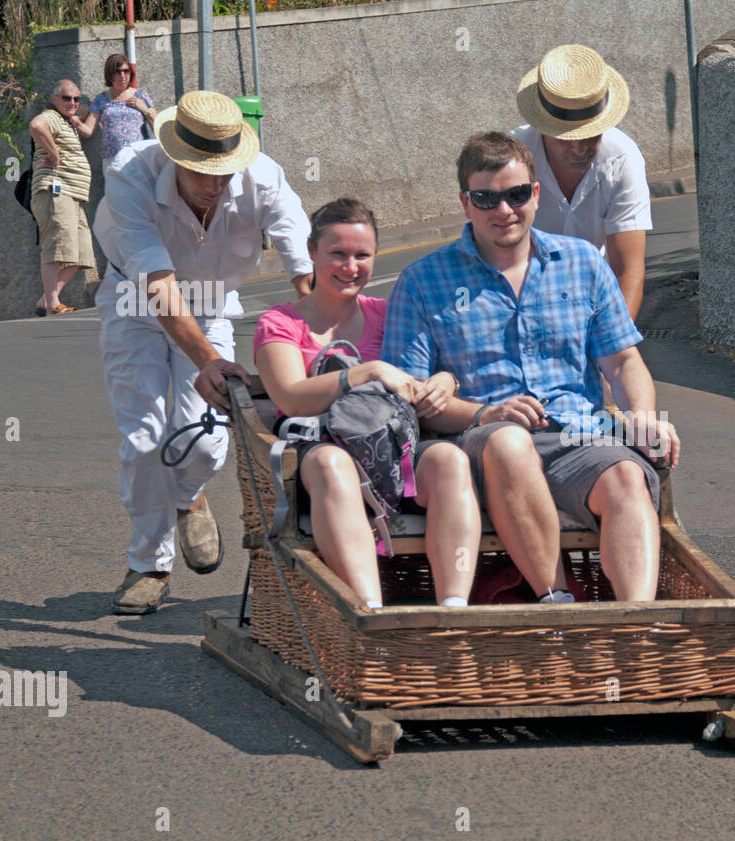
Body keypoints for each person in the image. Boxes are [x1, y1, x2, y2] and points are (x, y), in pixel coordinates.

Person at [383, 132, 679, 604]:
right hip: (478, 443)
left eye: (517, 194)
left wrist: (642, 413)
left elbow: (623, 361)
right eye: (486, 198)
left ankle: (636, 625)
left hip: (575, 436)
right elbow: (410, 402)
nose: (504, 210)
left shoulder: (582, 262)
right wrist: (485, 414)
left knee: (626, 474)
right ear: (465, 203)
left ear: (536, 195)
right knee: (509, 440)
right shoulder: (423, 281)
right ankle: (556, 602)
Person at [92, 90, 313, 614]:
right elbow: (157, 283)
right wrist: (208, 362)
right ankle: (149, 564)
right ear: (172, 156)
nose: (216, 186)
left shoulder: (264, 176)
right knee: (145, 440)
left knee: (207, 441)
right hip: (136, 300)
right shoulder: (130, 175)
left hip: (211, 303)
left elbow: (302, 262)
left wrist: (317, 339)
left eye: (225, 172)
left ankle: (188, 495)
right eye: (202, 173)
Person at [254, 198, 479, 608]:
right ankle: (369, 615)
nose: (350, 267)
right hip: (320, 453)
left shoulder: (390, 312)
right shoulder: (282, 322)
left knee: (449, 459)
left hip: (396, 448)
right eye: (336, 254)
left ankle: (453, 610)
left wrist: (446, 378)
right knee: (330, 463)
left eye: (362, 255)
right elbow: (288, 395)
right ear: (311, 252)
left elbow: (430, 375)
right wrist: (365, 371)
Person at [512, 44, 651, 321]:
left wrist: (615, 349)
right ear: (543, 127)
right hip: (519, 290)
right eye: (565, 137)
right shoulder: (514, 158)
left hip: (590, 293)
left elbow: (627, 269)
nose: (578, 149)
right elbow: (494, 251)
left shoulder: (624, 159)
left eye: (590, 135)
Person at [28, 79, 95, 316]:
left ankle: (46, 299)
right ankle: (53, 303)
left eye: (76, 98)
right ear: (55, 99)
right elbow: (36, 126)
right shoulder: (51, 116)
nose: (73, 102)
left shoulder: (68, 121)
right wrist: (54, 153)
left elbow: (89, 117)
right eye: (67, 98)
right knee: (55, 248)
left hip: (73, 195)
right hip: (56, 192)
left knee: (78, 254)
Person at [82, 53, 158, 168]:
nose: (122, 76)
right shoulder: (101, 99)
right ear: (109, 74)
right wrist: (72, 119)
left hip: (138, 157)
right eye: (117, 72)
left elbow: (158, 126)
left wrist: (145, 109)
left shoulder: (140, 95)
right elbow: (88, 130)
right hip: (113, 159)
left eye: (126, 71)